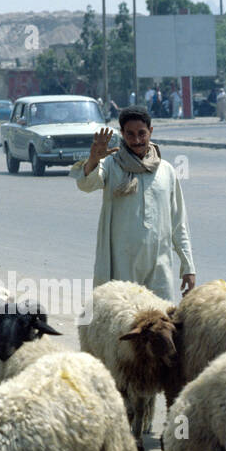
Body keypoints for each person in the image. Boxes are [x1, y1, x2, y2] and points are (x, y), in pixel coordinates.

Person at [74, 106, 195, 303]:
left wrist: (188, 266)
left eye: (142, 133)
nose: (137, 140)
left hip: (158, 267)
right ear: (122, 134)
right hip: (122, 264)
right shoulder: (110, 165)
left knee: (159, 323)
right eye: (130, 134)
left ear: (151, 132)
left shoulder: (166, 171)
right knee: (123, 321)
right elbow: (86, 184)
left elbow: (178, 223)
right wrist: (94, 160)